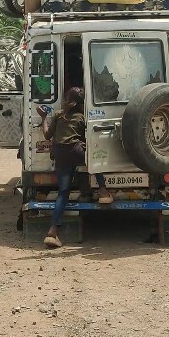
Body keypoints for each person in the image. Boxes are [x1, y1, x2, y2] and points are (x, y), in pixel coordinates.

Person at [36, 87, 113, 249]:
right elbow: (89, 136)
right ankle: (103, 191)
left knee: (63, 193)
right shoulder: (82, 117)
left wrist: (43, 118)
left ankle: (52, 232)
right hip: (75, 151)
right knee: (94, 160)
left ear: (67, 99)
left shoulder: (58, 115)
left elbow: (47, 136)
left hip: (60, 154)